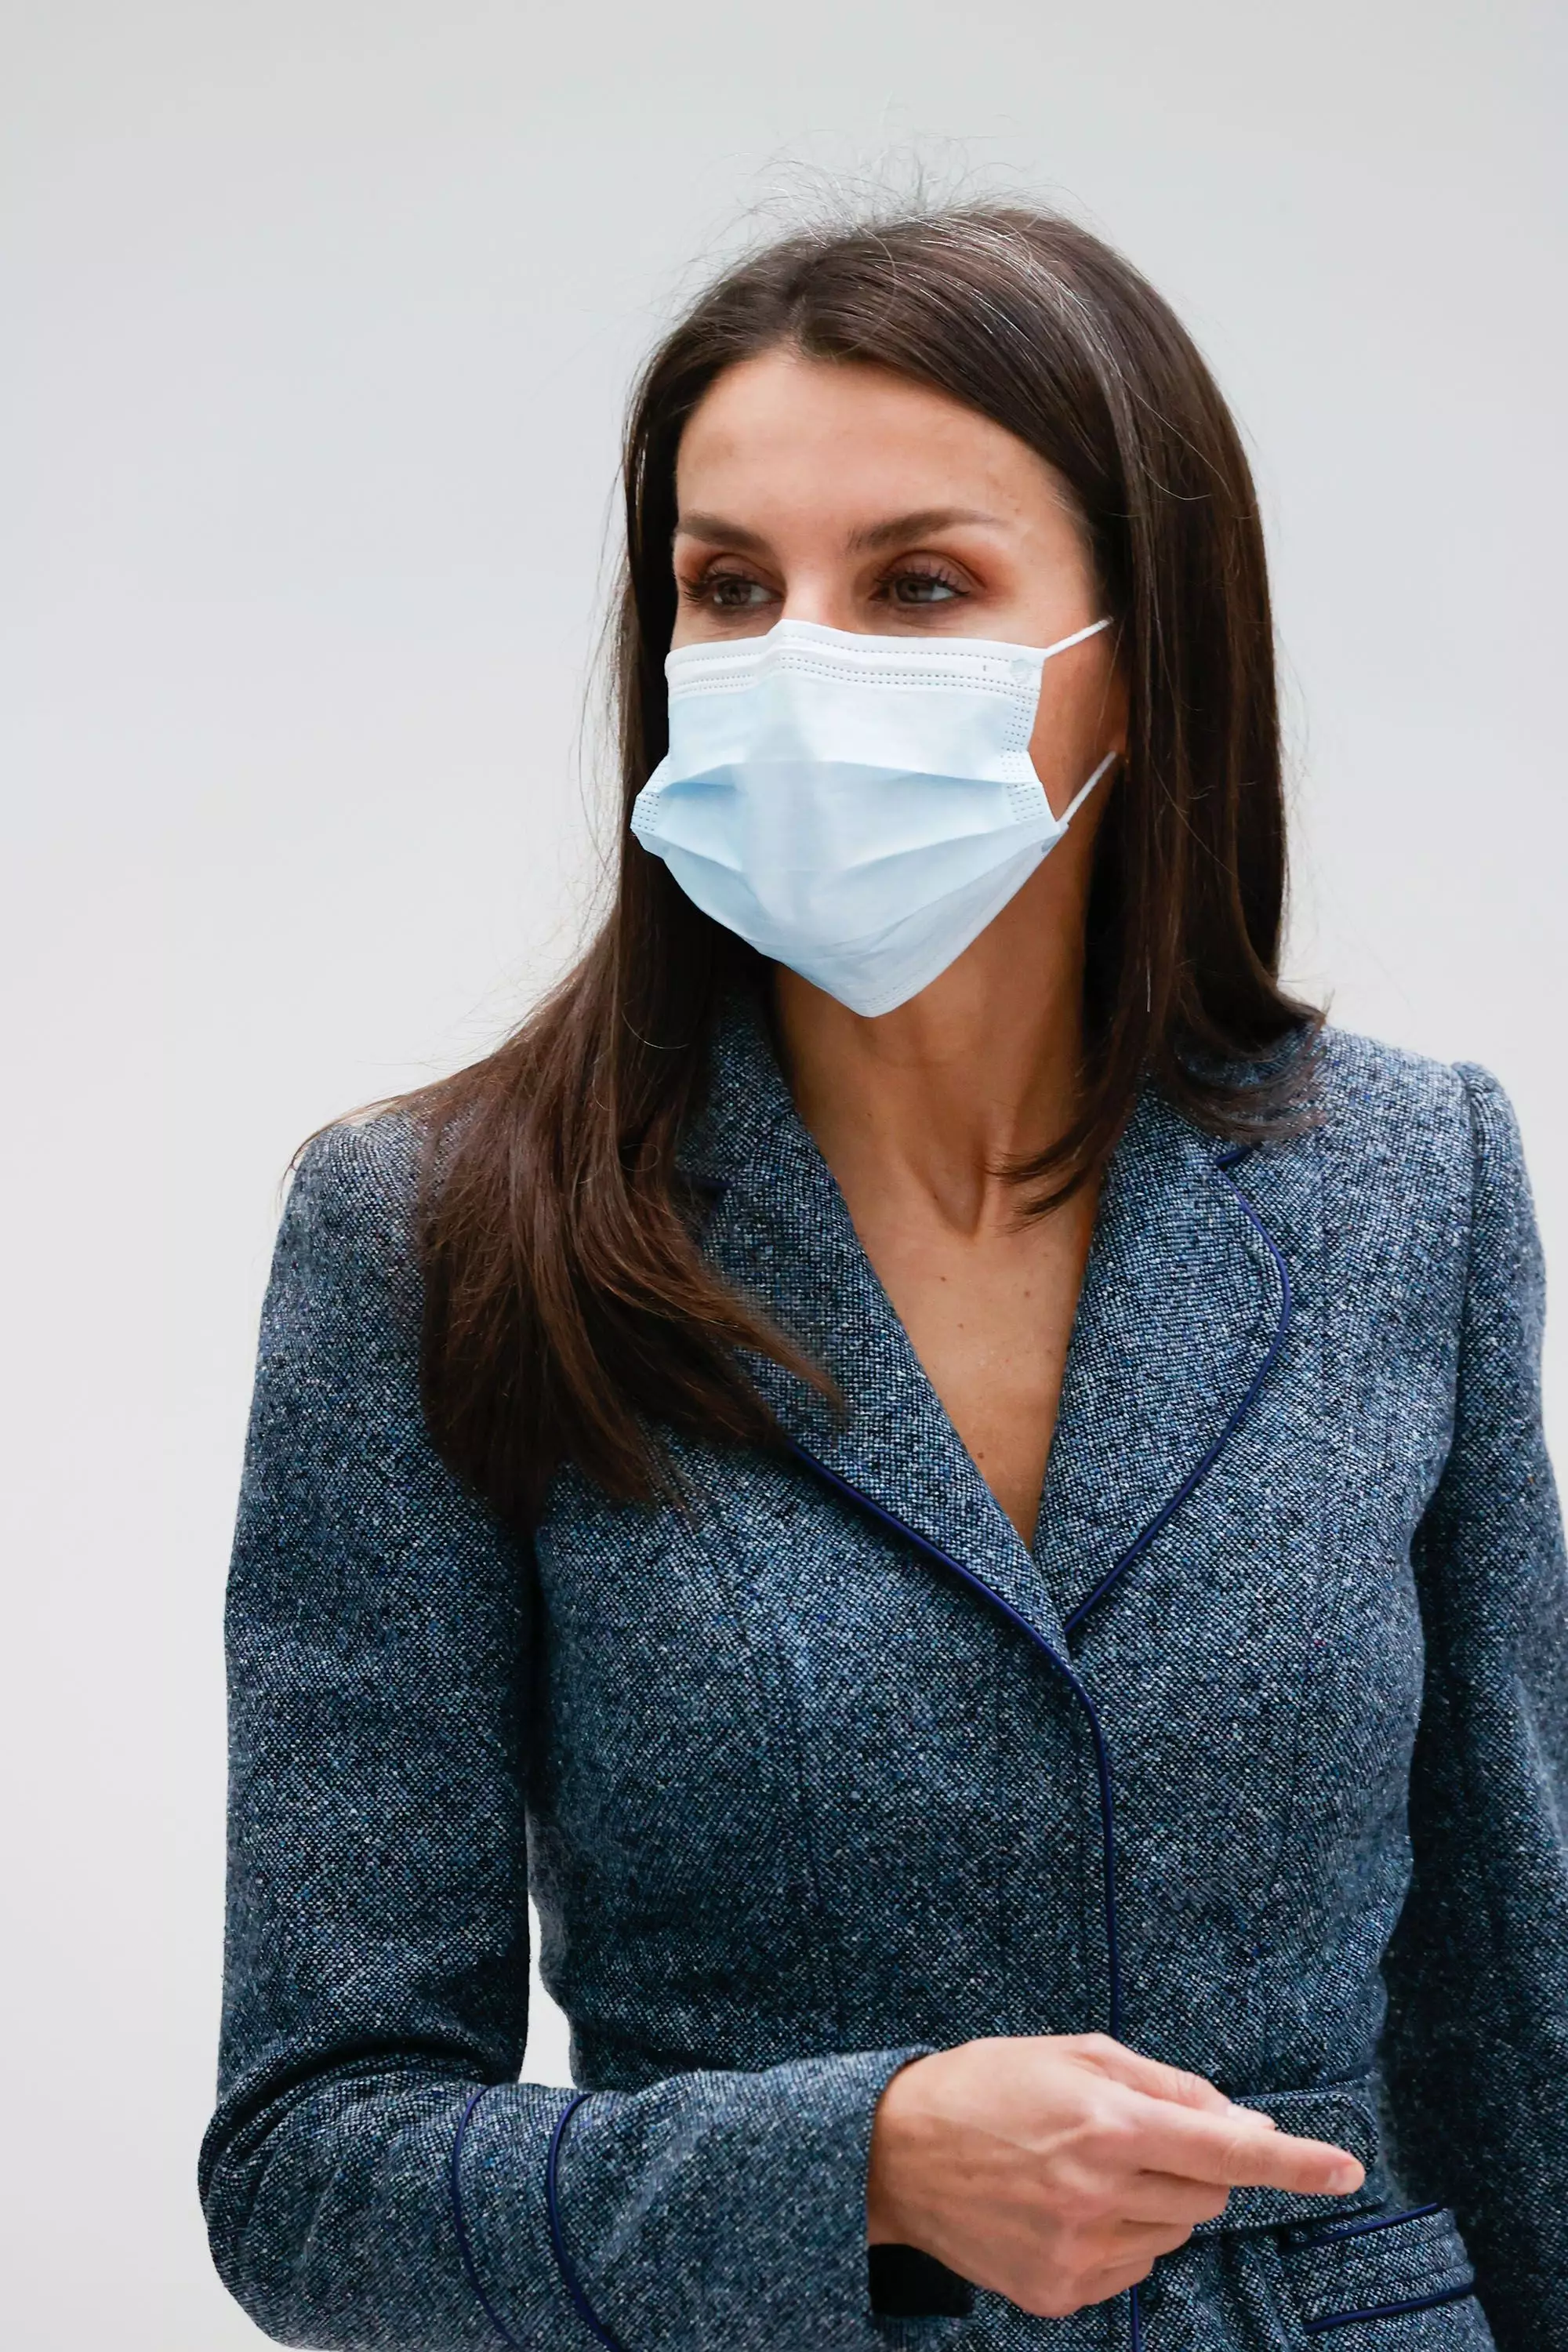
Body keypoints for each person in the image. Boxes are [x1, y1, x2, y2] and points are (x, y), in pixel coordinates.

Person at [199, 205, 1567, 2352]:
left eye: (917, 584)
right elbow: (309, 2162)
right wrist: (863, 2163)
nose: (794, 658)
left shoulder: (1410, 1175)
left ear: (1146, 638)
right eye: (730, 587)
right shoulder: (437, 1230)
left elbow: (1518, 2001)